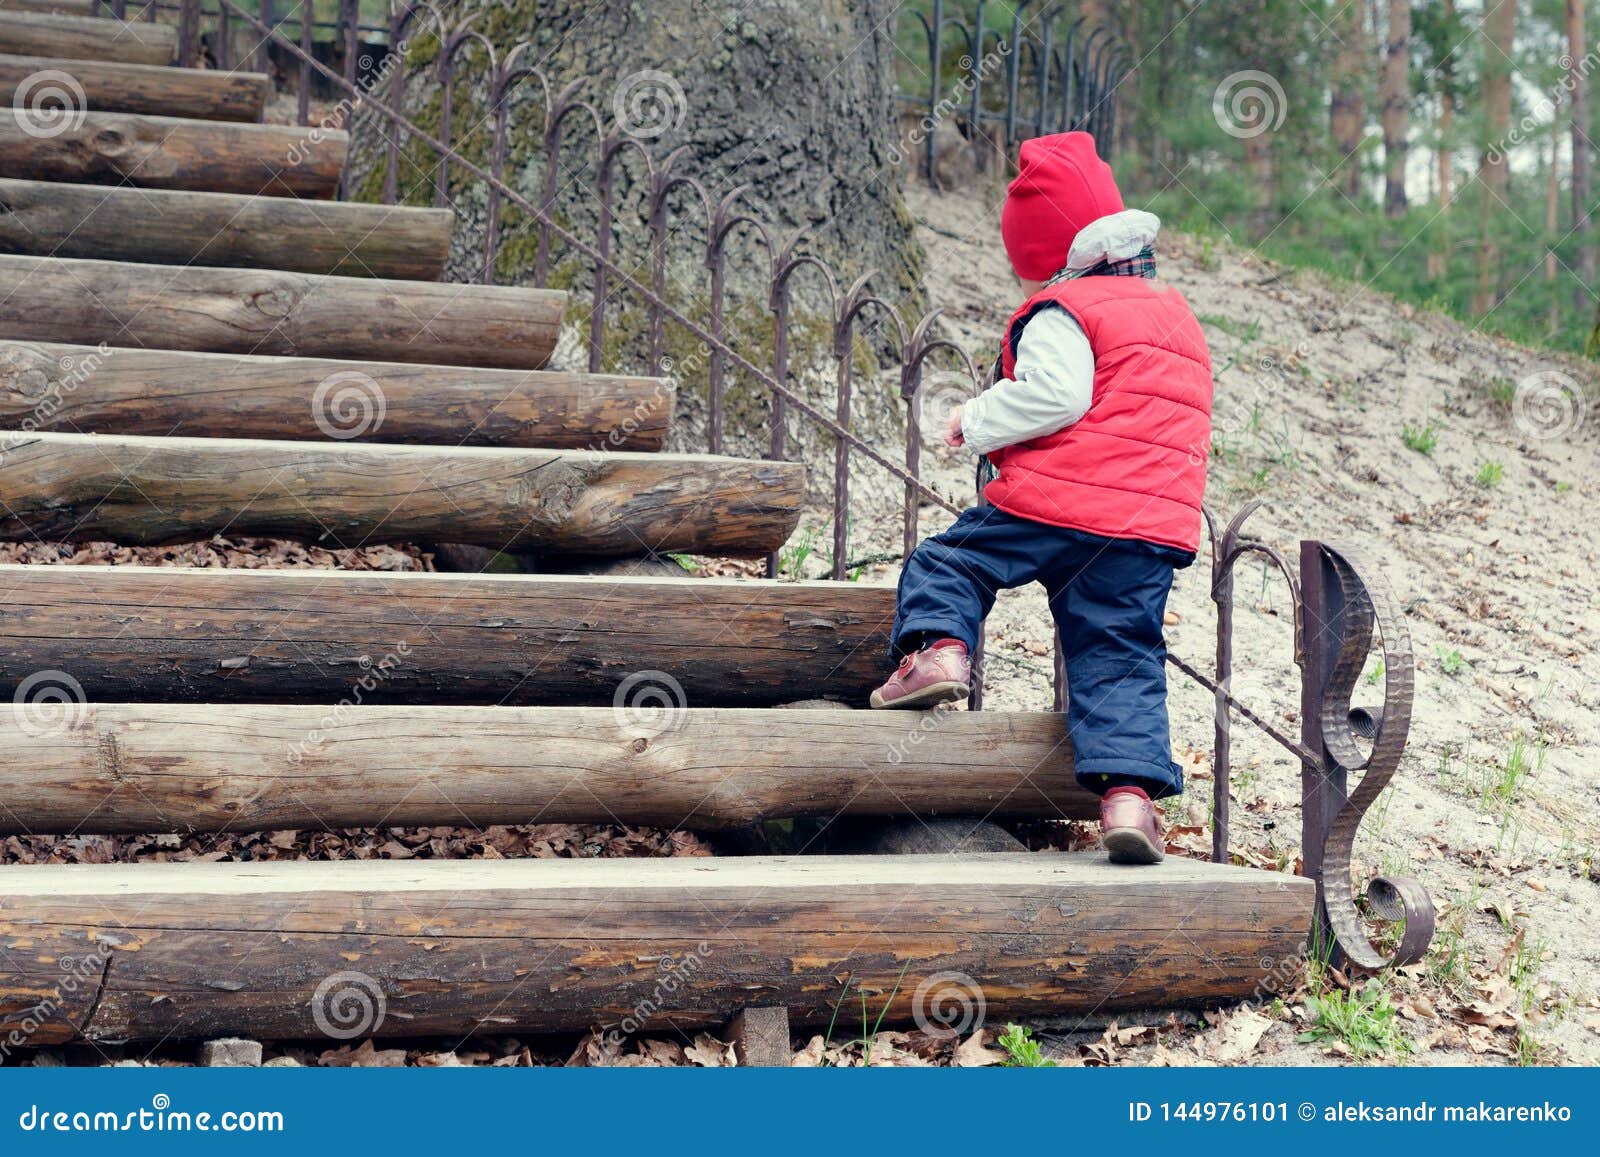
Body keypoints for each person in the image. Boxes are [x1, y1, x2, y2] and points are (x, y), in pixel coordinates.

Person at [870, 131, 1213, 865]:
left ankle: (941, 652)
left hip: (1056, 502)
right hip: (1146, 524)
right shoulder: (1172, 311)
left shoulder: (1066, 307)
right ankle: (1128, 799)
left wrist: (974, 419)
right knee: (1120, 652)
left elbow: (1056, 395)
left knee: (951, 562)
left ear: (1046, 252)